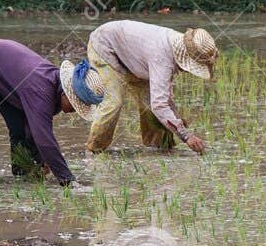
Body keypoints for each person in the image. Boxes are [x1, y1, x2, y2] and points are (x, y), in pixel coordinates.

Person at [0, 39, 103, 186]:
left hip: (1, 73)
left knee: (19, 127)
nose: (73, 111)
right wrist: (67, 180)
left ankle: (22, 174)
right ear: (66, 93)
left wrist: (40, 162)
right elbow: (44, 138)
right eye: (75, 106)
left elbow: (32, 129)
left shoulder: (52, 86)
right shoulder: (40, 91)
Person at [85, 21, 217, 155]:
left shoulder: (186, 45)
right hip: (104, 46)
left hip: (133, 56)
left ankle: (159, 150)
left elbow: (164, 98)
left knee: (150, 106)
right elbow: (160, 105)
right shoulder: (162, 58)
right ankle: (94, 151)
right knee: (113, 103)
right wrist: (186, 135)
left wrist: (176, 119)